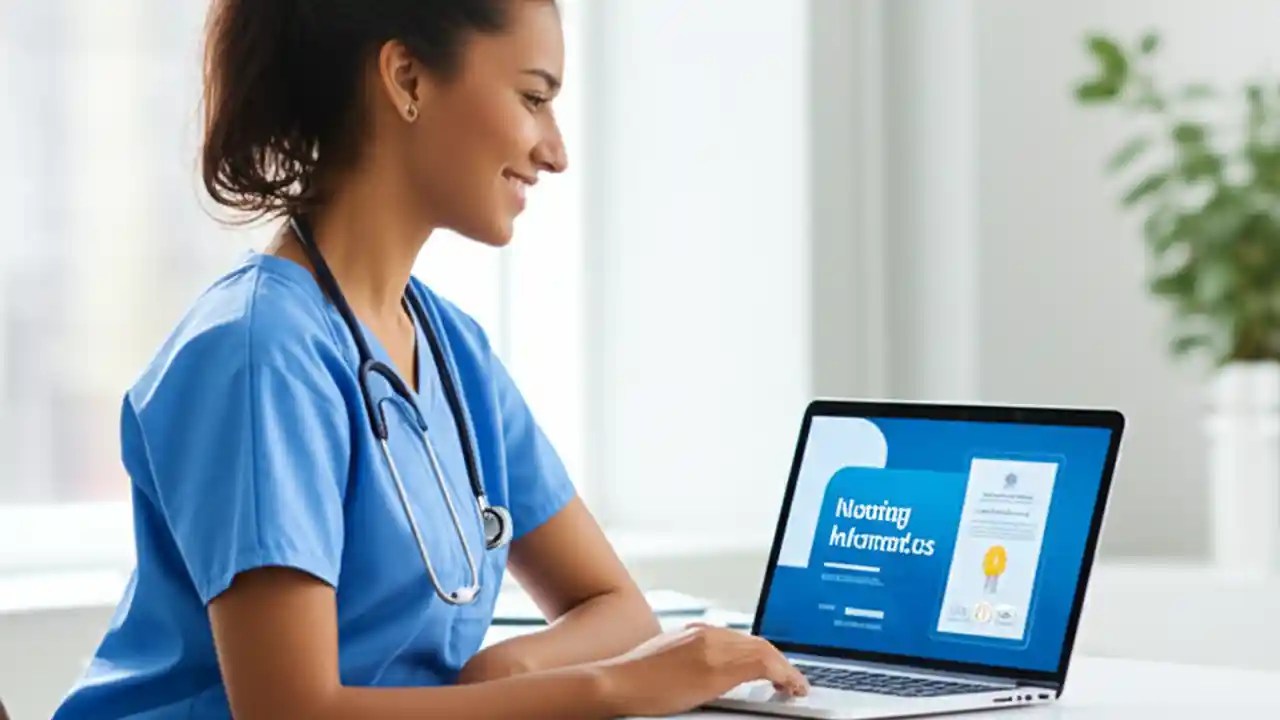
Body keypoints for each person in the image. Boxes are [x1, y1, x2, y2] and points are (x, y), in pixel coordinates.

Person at [52, 1, 808, 718]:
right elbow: (289, 712)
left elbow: (616, 608)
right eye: (533, 98)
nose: (556, 150)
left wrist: (509, 670)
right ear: (408, 79)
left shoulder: (453, 352)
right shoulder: (261, 354)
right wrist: (613, 688)